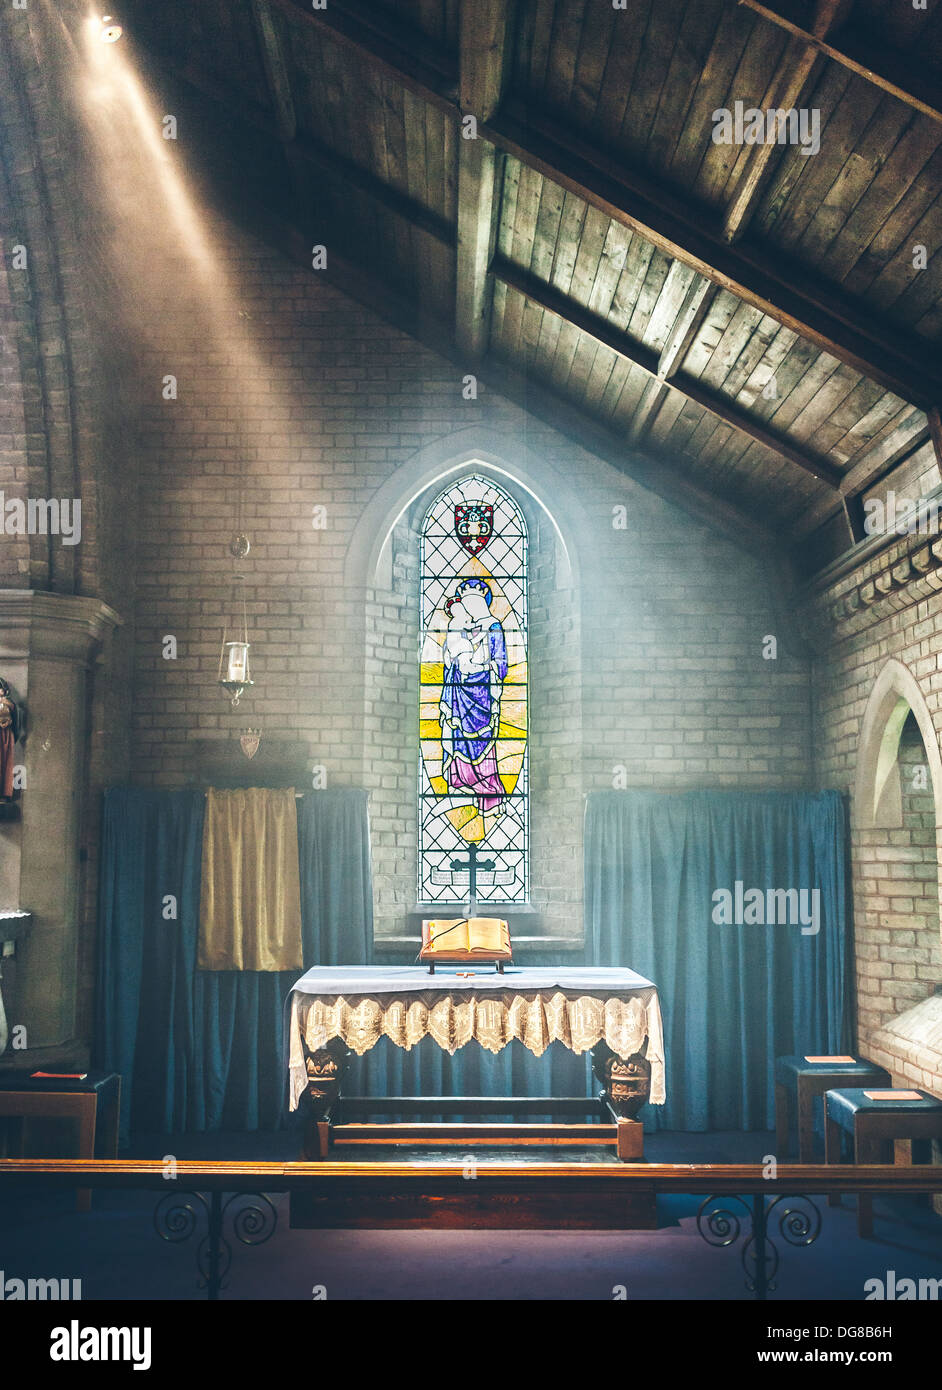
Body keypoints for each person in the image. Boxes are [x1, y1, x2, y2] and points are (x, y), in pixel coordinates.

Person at [438, 579, 507, 813]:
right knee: (458, 737)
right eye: (465, 605)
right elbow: (451, 660)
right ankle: (462, 784)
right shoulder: (463, 627)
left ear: (481, 603)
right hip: (460, 693)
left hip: (483, 694)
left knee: (483, 743)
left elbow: (500, 663)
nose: (469, 610)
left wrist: (485, 668)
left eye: (472, 604)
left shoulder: (494, 627)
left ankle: (488, 792)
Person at [0, 680, 19, 800]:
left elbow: (6, 721)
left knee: (4, 763)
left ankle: (4, 792)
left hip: (4, 736)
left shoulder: (8, 703)